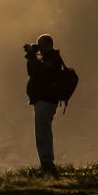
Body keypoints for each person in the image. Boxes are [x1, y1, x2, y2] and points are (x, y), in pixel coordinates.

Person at [25, 34, 66, 175]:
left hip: (46, 100)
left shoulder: (53, 58)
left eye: (41, 45)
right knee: (42, 131)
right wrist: (31, 56)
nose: (39, 48)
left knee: (43, 132)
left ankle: (47, 163)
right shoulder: (45, 59)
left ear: (49, 44)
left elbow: (42, 71)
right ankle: (46, 163)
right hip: (42, 100)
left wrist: (32, 55)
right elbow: (32, 72)